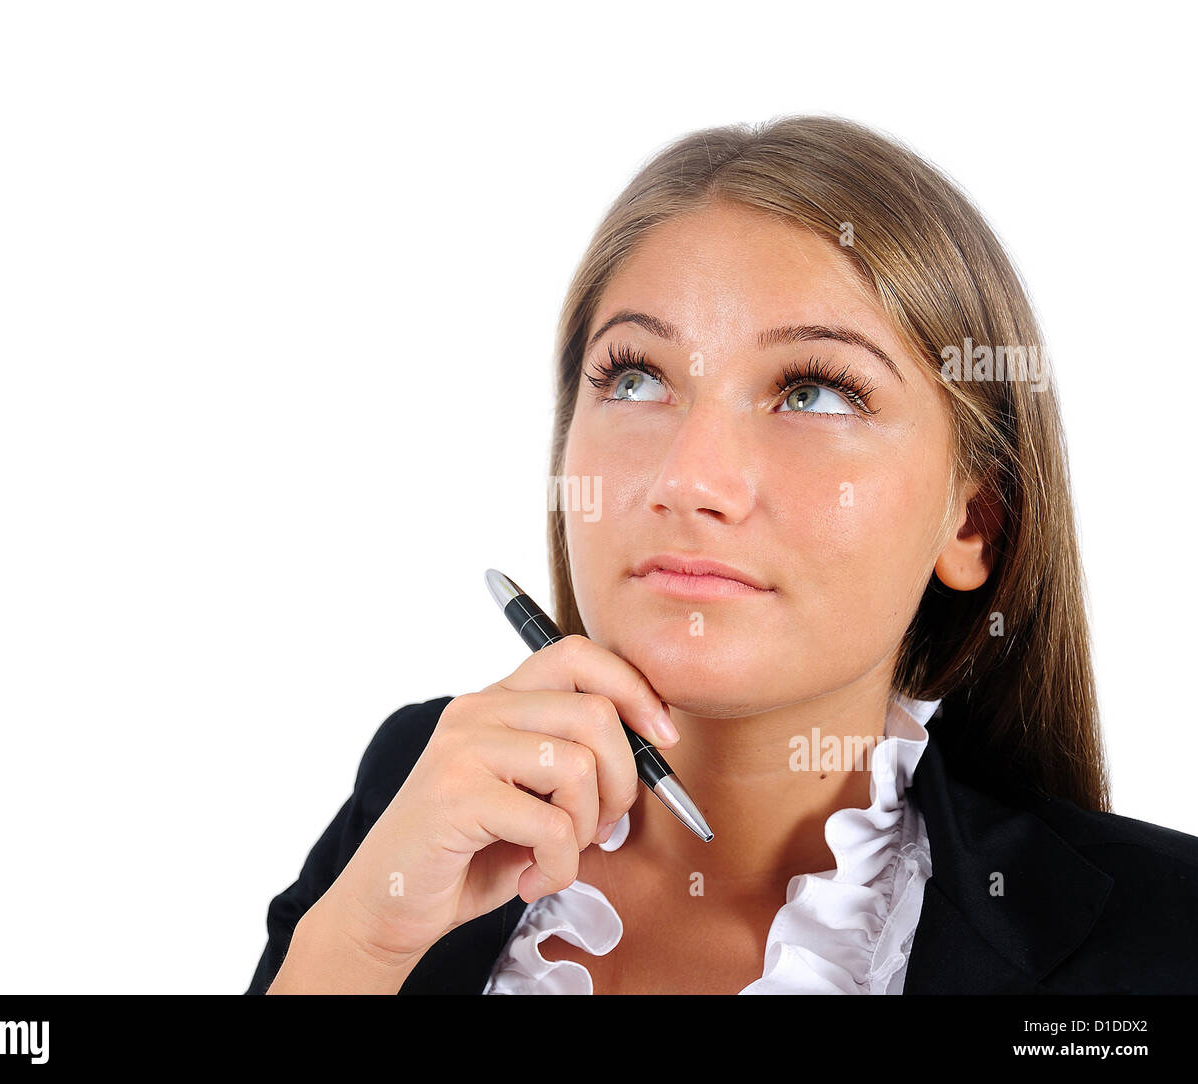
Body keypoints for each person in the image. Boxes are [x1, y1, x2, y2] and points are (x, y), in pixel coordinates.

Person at [245, 115, 1198, 995]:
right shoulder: (421, 793)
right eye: (636, 376)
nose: (690, 479)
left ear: (972, 525)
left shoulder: (1165, 935)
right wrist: (359, 947)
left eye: (816, 391)